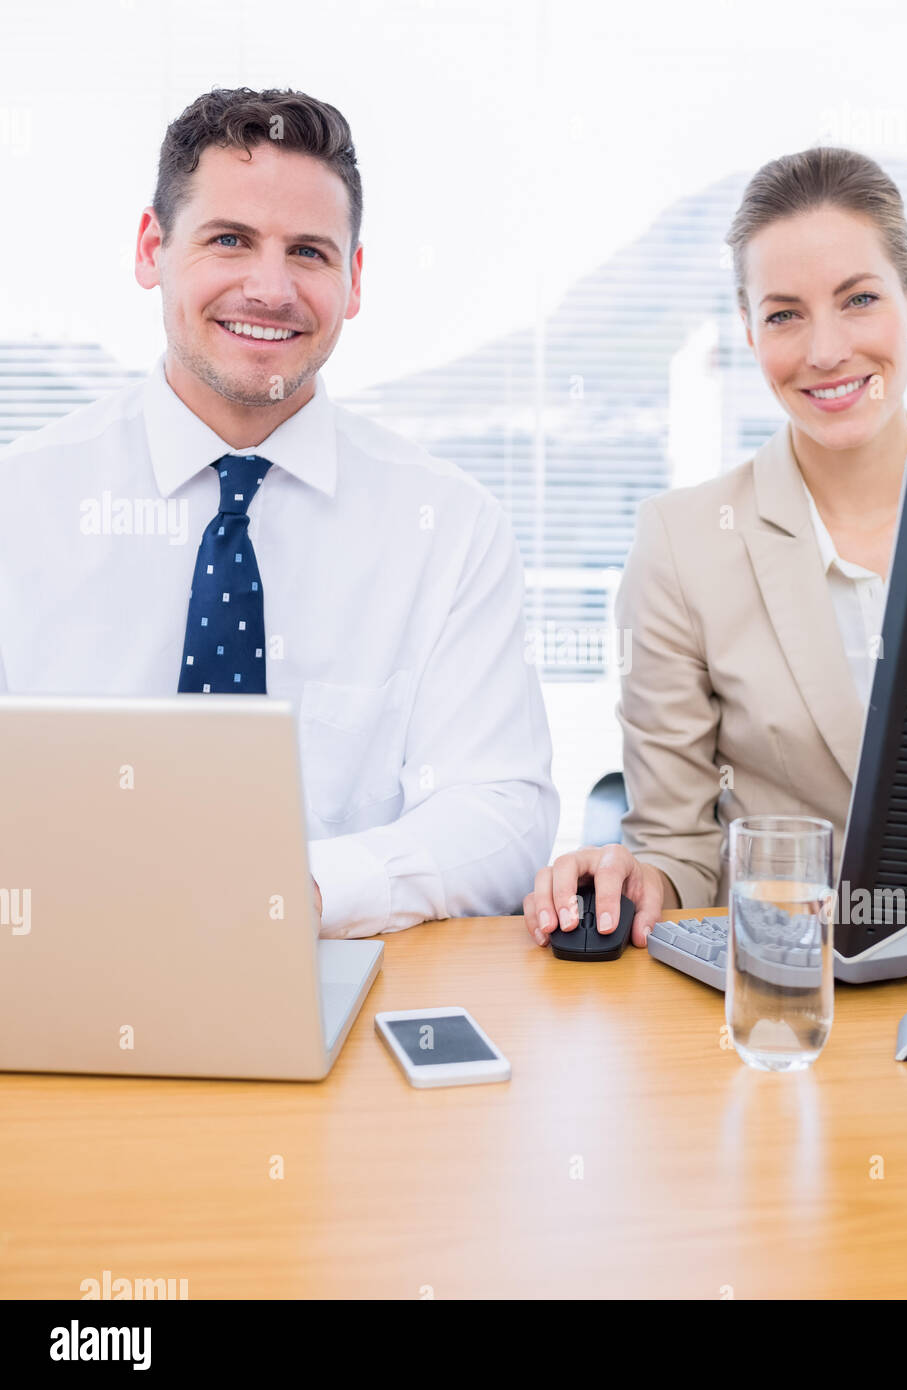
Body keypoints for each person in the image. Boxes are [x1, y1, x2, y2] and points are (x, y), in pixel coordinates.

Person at [0, 87, 559, 938]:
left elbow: (501, 814)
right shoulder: (21, 504)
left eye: (308, 252)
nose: (269, 287)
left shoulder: (448, 527)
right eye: (230, 240)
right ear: (153, 249)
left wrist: (298, 891)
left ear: (353, 281)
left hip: (333, 970)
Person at [524, 145, 907, 950]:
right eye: (783, 314)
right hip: (788, 988)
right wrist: (638, 878)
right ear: (747, 329)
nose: (825, 351)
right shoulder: (683, 546)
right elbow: (676, 846)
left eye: (858, 300)